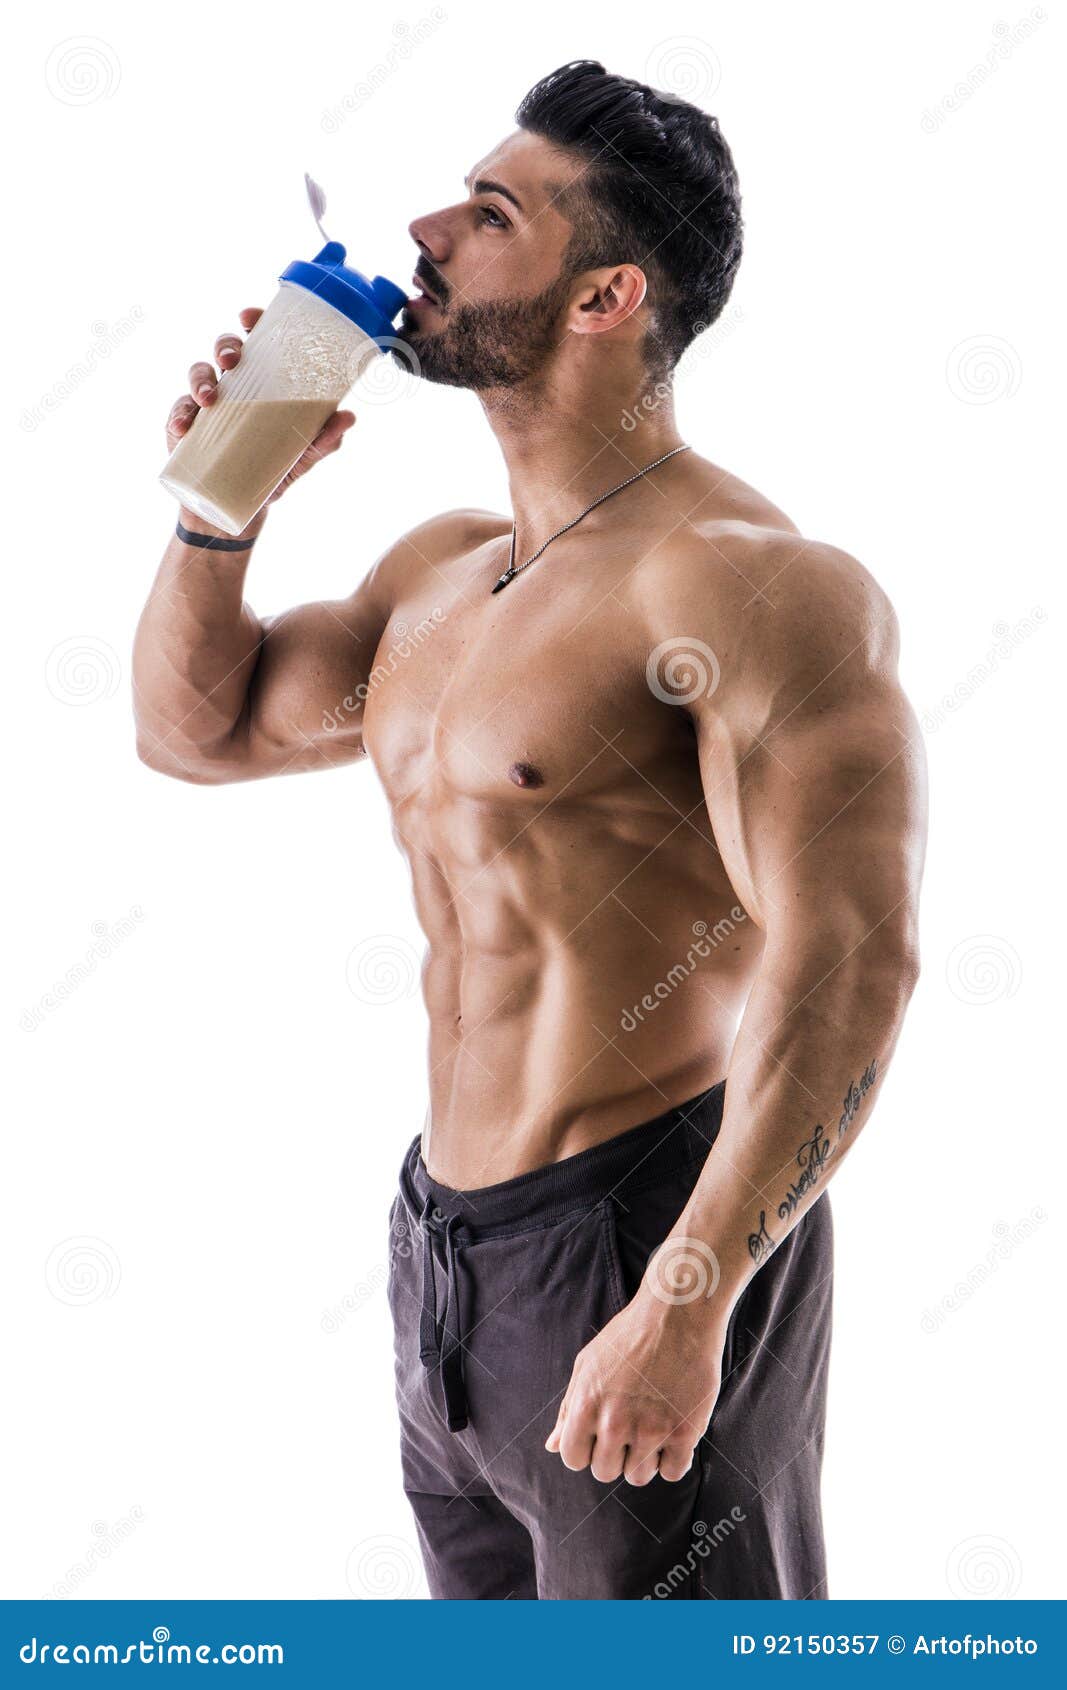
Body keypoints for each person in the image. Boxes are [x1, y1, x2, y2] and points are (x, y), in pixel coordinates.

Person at [133, 60, 927, 1600]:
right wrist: (220, 512)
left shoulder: (749, 583)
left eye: (490, 215)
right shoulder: (440, 575)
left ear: (607, 295)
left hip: (648, 1233)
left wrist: (688, 1296)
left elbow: (853, 963)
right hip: (450, 1256)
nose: (426, 232)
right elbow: (196, 732)